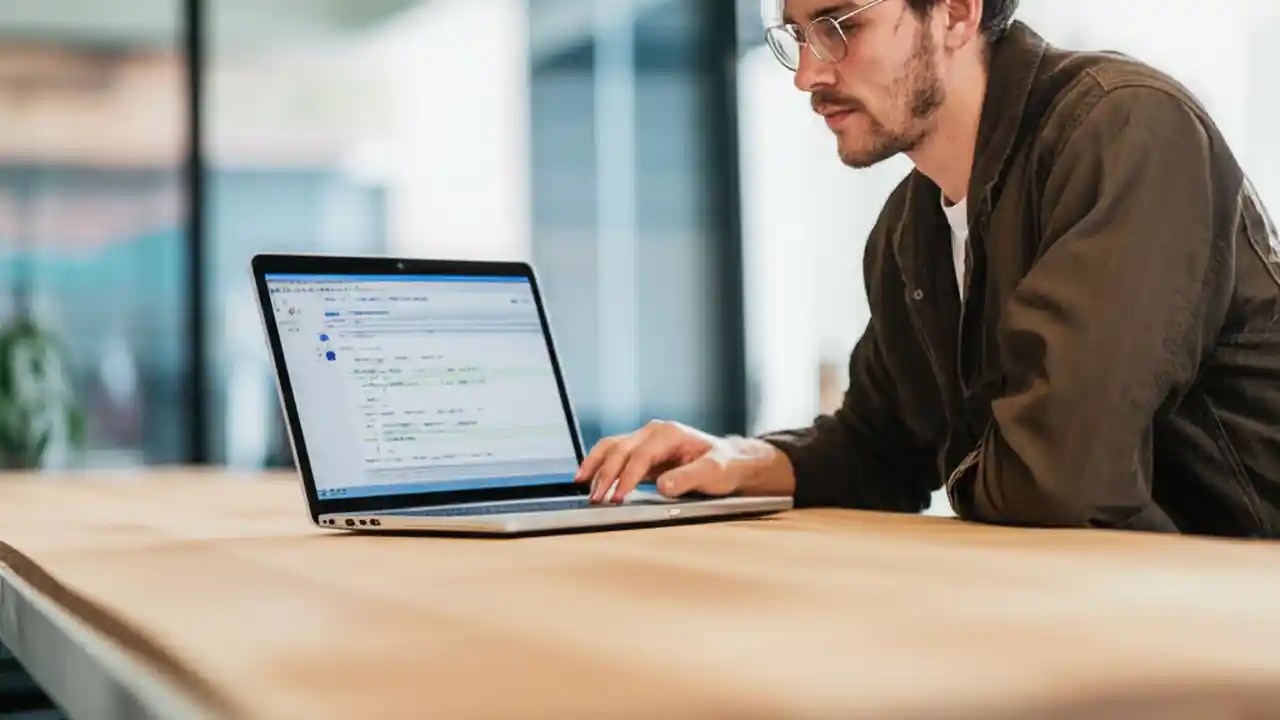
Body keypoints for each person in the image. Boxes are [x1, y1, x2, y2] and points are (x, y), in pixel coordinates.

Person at [574, 0, 1280, 537]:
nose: (809, 74)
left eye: (838, 25)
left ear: (956, 12)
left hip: (1237, 610)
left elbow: (1061, 481)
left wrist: (966, 461)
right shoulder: (909, 231)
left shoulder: (1124, 131)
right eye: (796, 36)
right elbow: (884, 446)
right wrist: (738, 459)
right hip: (1107, 604)